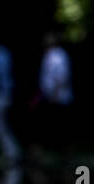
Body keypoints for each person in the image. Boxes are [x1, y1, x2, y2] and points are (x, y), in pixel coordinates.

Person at [32, 33, 72, 161]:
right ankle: (41, 154)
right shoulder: (49, 55)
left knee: (57, 128)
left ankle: (64, 155)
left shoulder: (58, 56)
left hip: (57, 98)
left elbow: (61, 77)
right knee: (48, 127)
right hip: (48, 97)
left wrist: (55, 95)